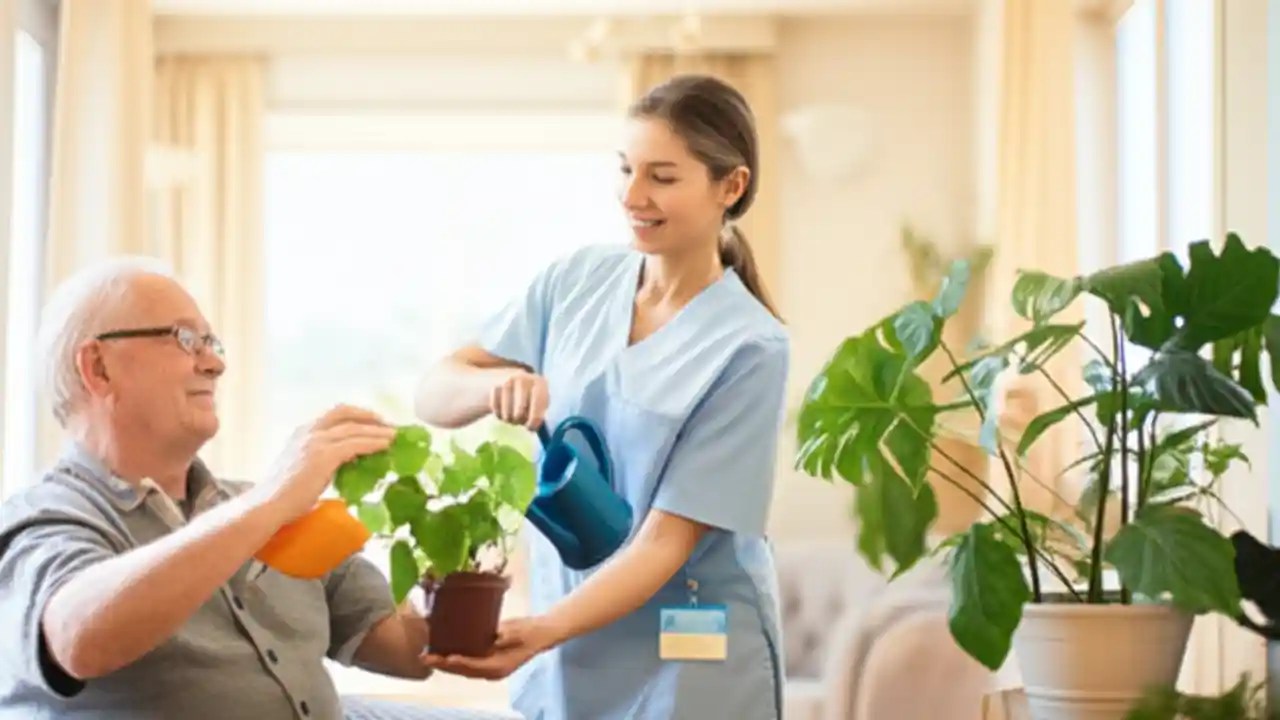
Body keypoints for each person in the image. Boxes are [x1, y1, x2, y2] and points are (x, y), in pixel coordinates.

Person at [414, 74, 790, 720]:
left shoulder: (751, 347)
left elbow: (665, 542)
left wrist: (543, 629)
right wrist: (491, 386)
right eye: (625, 170)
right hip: (571, 639)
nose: (633, 196)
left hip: (688, 657)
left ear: (731, 186)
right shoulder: (578, 281)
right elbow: (435, 393)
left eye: (663, 178)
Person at [0, 258, 434, 719]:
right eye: (185, 340)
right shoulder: (41, 520)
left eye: (211, 342)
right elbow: (77, 639)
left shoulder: (266, 508)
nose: (216, 363)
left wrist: (472, 593)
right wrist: (271, 501)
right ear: (98, 367)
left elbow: (408, 650)